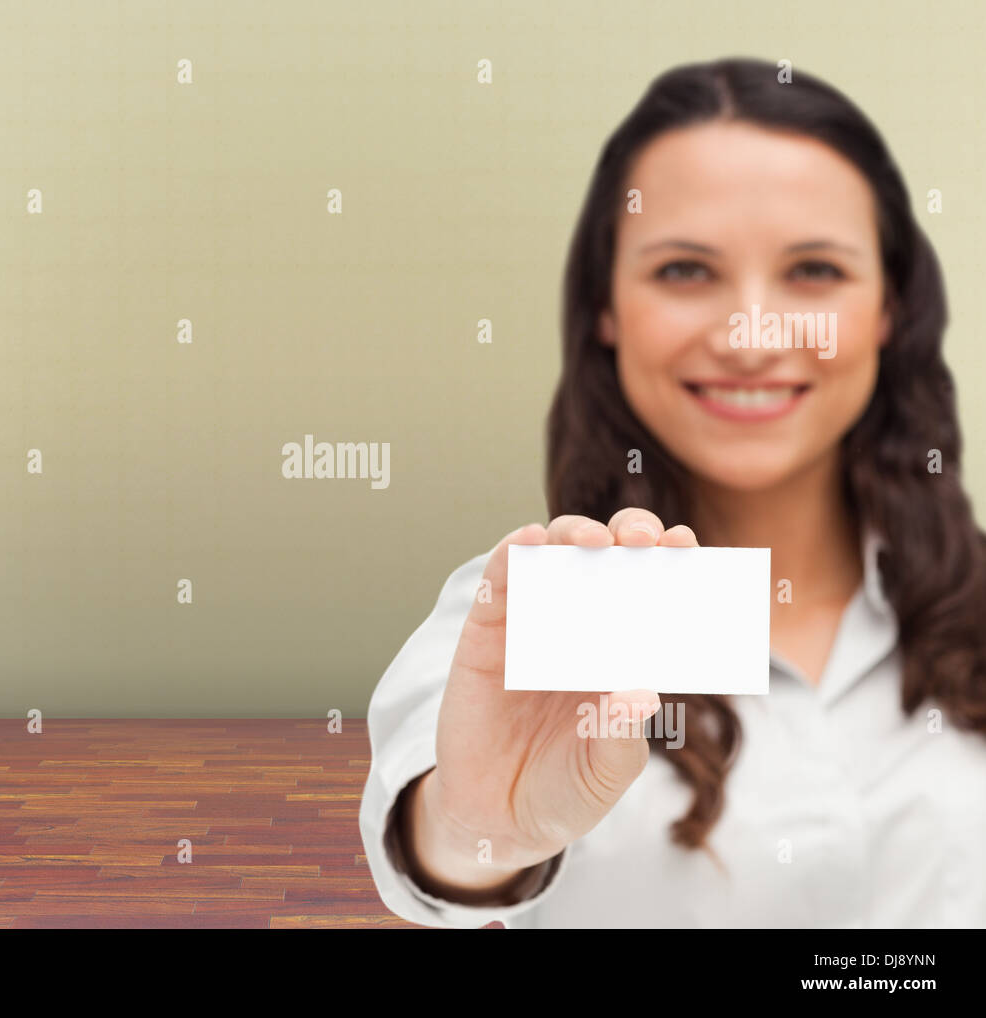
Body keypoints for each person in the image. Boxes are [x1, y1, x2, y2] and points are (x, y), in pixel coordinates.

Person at [358, 58, 986, 929]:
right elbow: (445, 843)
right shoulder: (518, 617)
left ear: (890, 307)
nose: (752, 335)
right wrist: (482, 834)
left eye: (813, 271)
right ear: (606, 306)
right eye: (687, 271)